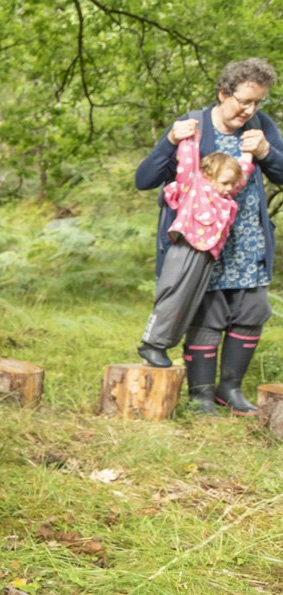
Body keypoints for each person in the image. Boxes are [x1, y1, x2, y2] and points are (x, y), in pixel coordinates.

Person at [136, 58, 283, 415]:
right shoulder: (193, 125)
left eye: (257, 102)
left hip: (248, 242)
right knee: (206, 315)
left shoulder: (262, 127)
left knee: (251, 311)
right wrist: (170, 141)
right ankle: (200, 395)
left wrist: (266, 152)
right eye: (243, 101)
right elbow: (144, 179)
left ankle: (229, 390)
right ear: (222, 93)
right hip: (200, 245)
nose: (250, 110)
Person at [137, 135, 254, 369]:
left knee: (190, 302)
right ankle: (152, 343)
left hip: (206, 255)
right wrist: (189, 138)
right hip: (186, 249)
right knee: (174, 296)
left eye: (232, 184)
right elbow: (188, 162)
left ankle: (164, 345)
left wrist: (248, 153)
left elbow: (240, 174)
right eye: (224, 183)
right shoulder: (195, 185)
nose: (230, 188)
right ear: (208, 176)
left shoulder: (225, 195)